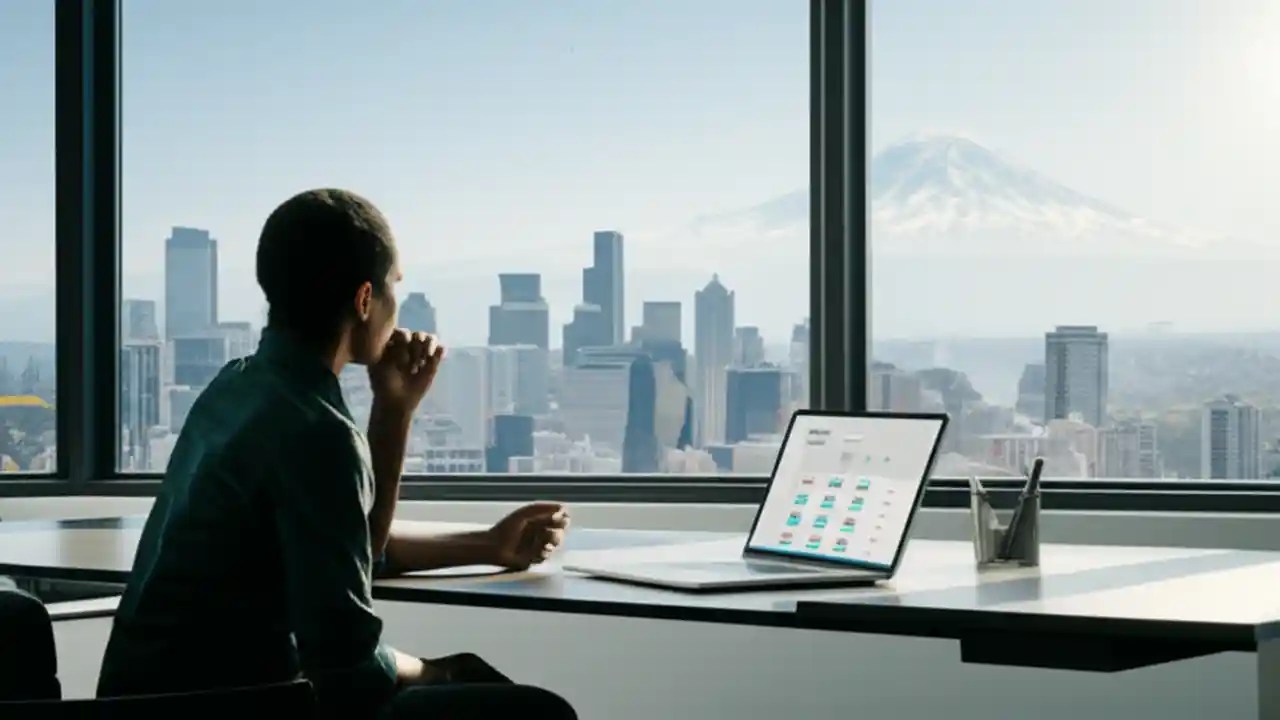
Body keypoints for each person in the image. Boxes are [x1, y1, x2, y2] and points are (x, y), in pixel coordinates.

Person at [97, 189, 577, 720]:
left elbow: (337, 548)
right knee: (536, 713)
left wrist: (487, 544)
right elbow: (350, 672)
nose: (400, 307)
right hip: (228, 707)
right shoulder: (314, 431)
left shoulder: (233, 389)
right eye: (396, 286)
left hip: (136, 701)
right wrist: (444, 670)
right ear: (365, 299)